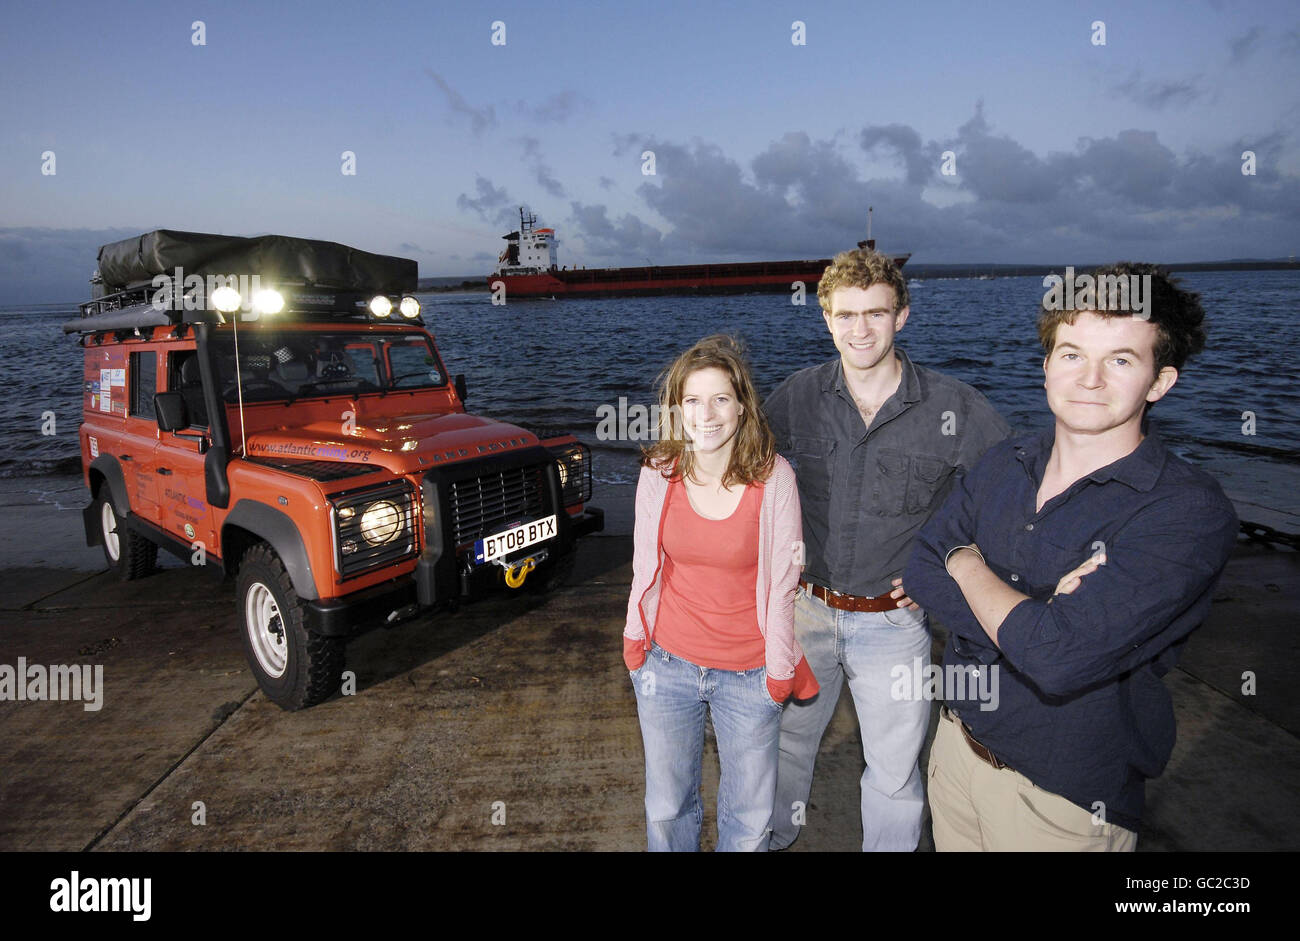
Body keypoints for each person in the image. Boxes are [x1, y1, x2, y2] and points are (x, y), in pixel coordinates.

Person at [903, 262, 1238, 850]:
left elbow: (1056, 659)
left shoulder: (1185, 512)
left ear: (1160, 382)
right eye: (1072, 354)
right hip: (955, 750)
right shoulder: (1003, 463)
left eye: (1121, 360)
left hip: (1061, 799)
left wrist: (966, 562)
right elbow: (921, 571)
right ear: (1046, 366)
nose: (1089, 379)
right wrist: (1035, 614)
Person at [764, 249, 1009, 851]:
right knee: (789, 745)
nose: (860, 330)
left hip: (895, 624)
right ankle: (774, 837)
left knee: (895, 773)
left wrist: (950, 566)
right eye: (846, 315)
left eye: (876, 313)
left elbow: (1007, 498)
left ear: (902, 316)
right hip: (805, 612)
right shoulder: (797, 397)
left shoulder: (956, 407)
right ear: (826, 319)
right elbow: (744, 471)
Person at [623, 334, 819, 852]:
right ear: (676, 407)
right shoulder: (658, 472)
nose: (705, 414)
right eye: (691, 400)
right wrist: (635, 640)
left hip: (750, 675)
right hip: (667, 664)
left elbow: (783, 583)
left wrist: (778, 672)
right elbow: (646, 564)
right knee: (667, 808)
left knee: (750, 819)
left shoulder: (774, 478)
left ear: (741, 407)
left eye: (720, 399)